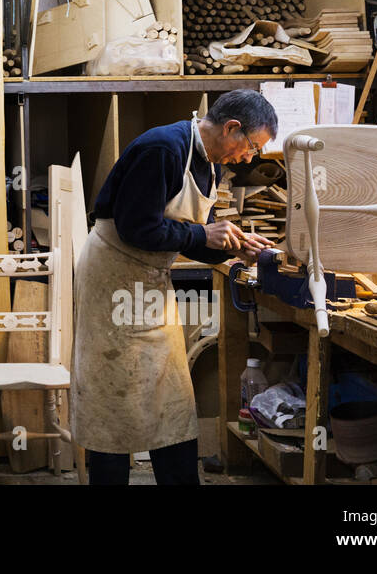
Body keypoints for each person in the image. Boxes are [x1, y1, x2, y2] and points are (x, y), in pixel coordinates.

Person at [70, 89, 278, 485]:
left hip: (150, 282)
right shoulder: (164, 149)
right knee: (112, 403)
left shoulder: (210, 164)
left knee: (171, 400)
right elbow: (138, 228)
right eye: (252, 146)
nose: (250, 158)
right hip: (114, 279)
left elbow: (195, 235)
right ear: (232, 128)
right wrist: (204, 237)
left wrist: (236, 249)